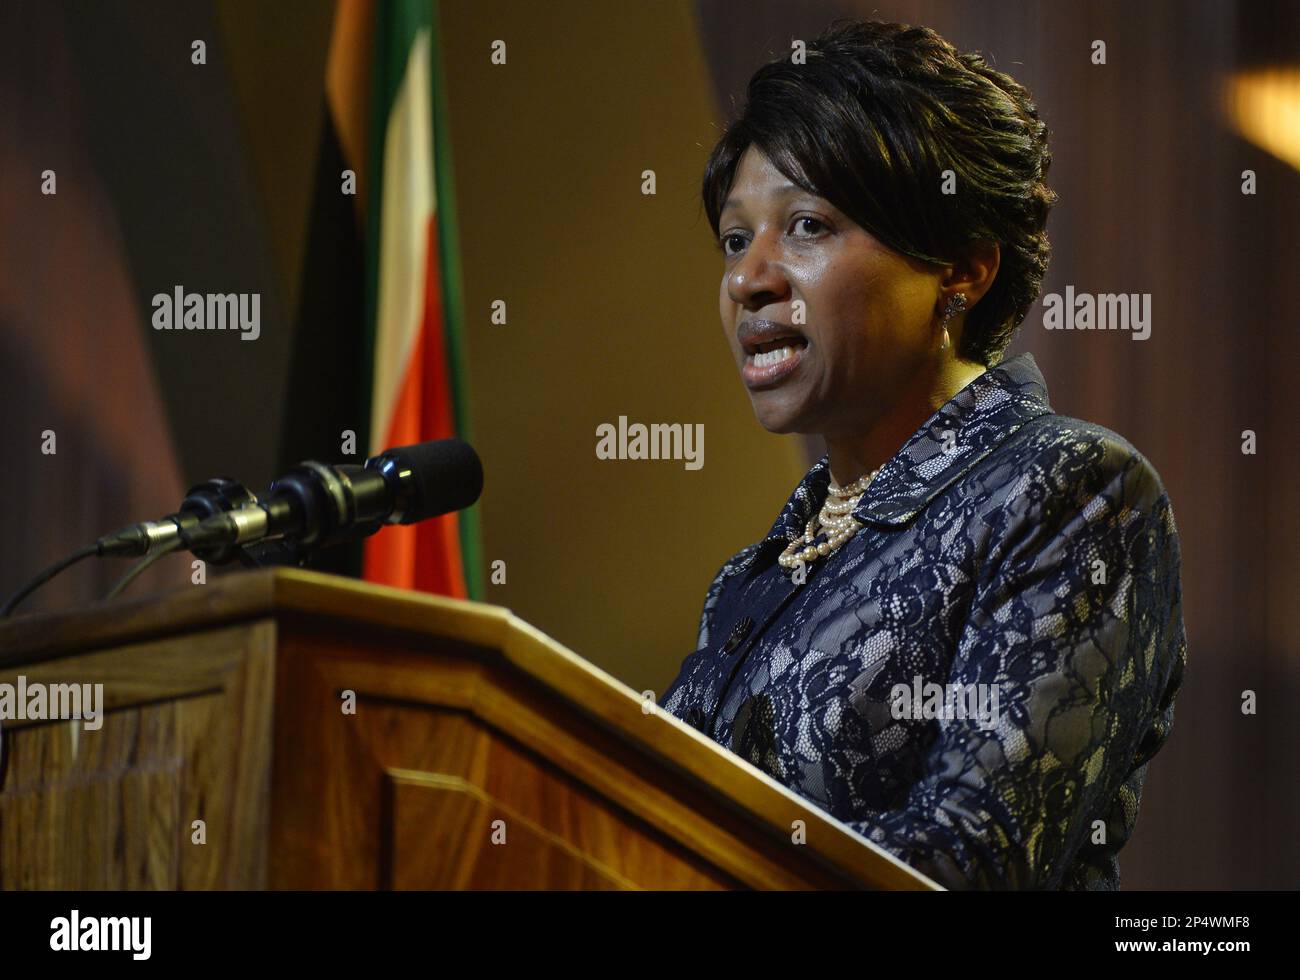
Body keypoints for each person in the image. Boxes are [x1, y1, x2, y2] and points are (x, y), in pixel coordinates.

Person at [659, 19, 1187, 890]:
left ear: (962, 270)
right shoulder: (751, 580)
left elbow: (971, 857)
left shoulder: (1072, 492)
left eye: (806, 225)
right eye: (734, 238)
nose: (748, 278)